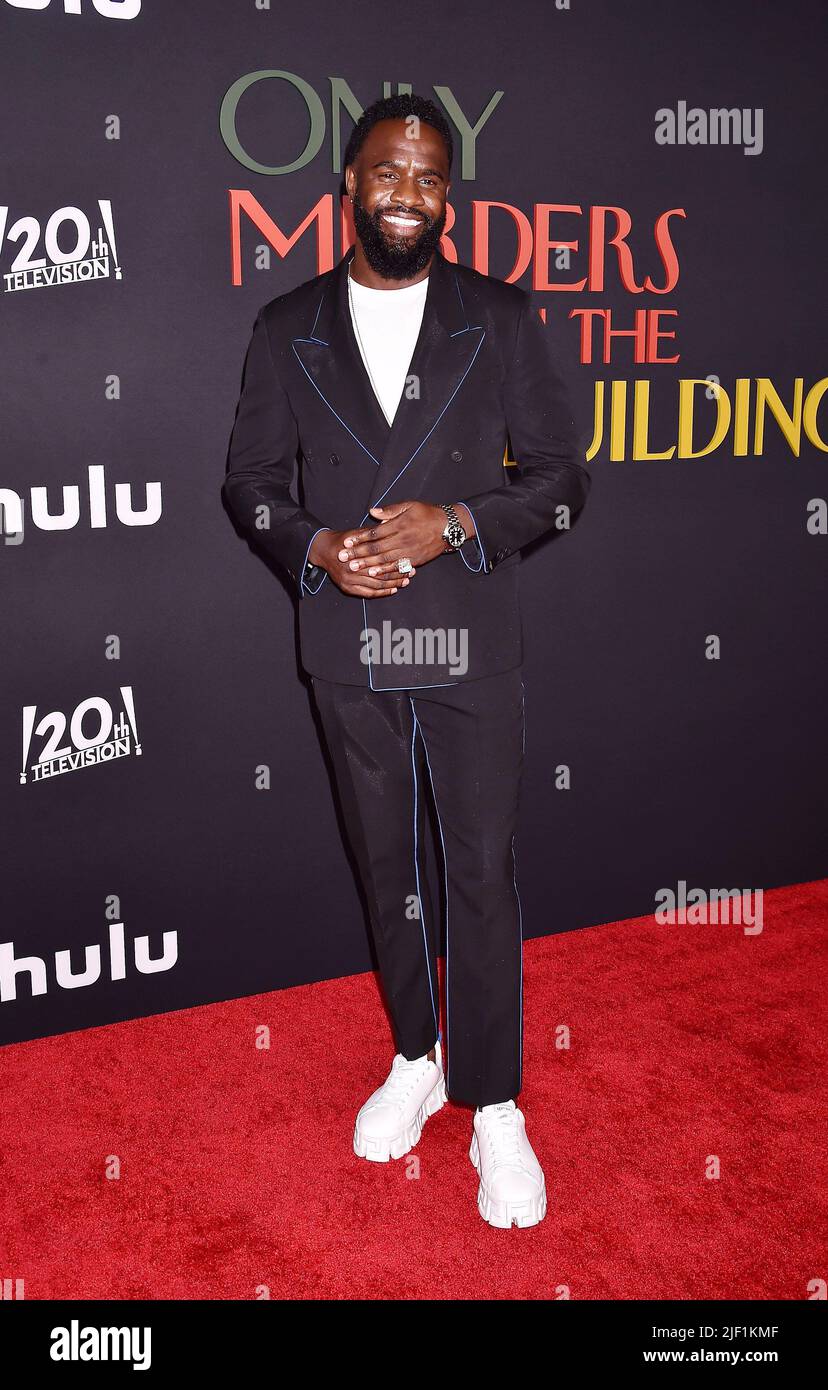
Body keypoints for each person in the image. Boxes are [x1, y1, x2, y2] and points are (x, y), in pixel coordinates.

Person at [222, 94, 591, 1229]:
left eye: (430, 179)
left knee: (479, 869)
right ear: (348, 185)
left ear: (450, 197)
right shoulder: (287, 326)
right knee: (387, 868)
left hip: (470, 632)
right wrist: (319, 548)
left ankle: (493, 1102)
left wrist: (460, 525)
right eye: (388, 173)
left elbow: (564, 479)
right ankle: (416, 1053)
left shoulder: (502, 314)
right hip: (347, 639)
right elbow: (249, 485)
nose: (408, 196)